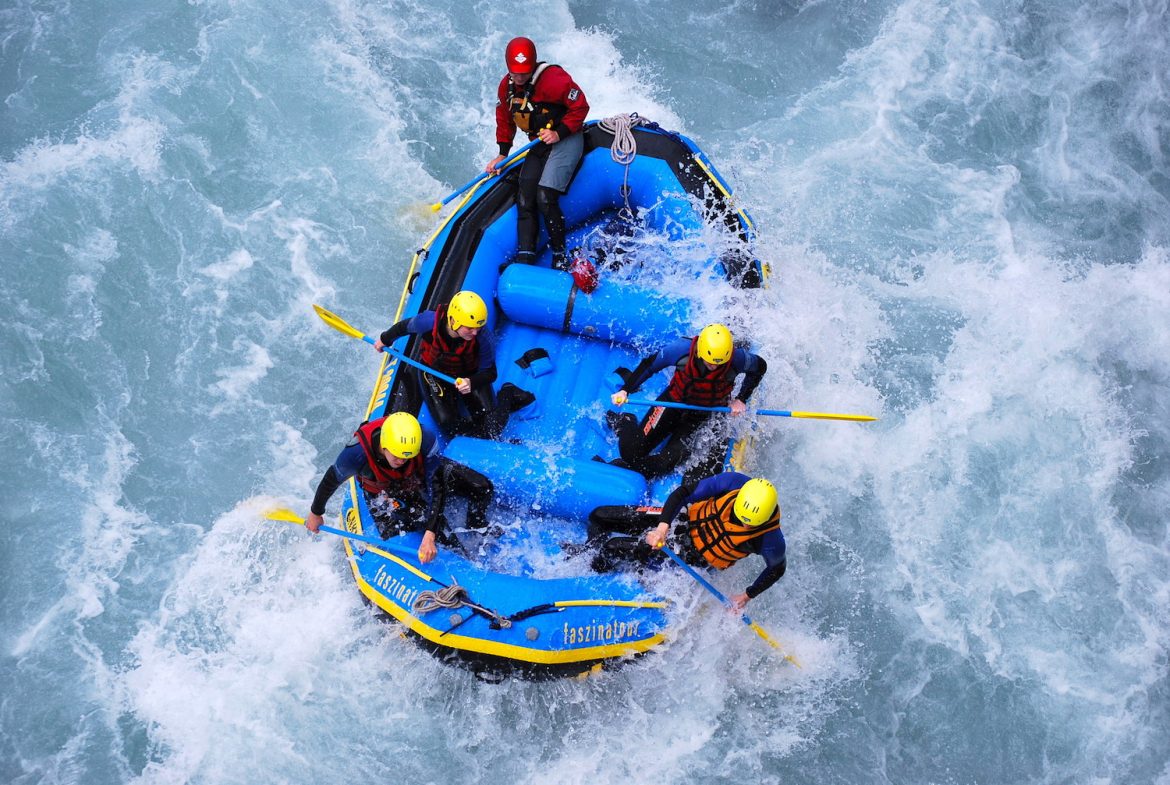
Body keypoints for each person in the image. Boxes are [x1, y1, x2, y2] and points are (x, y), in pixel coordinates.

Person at [305, 411, 493, 564]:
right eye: (396, 456)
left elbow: (438, 486)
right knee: (426, 522)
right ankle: (462, 559)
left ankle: (476, 529)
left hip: (416, 478)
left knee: (483, 487)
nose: (401, 461)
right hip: (385, 491)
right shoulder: (355, 454)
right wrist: (316, 512)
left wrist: (430, 532)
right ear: (384, 445)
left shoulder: (424, 439)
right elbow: (330, 481)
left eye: (407, 456)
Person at [587, 473, 786, 610]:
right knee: (599, 515)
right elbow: (683, 493)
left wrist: (747, 596)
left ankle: (592, 570)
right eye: (741, 519)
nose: (744, 525)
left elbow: (777, 569)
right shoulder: (734, 483)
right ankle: (588, 551)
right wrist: (662, 528)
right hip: (680, 522)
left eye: (750, 524)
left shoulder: (770, 540)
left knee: (612, 547)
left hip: (689, 559)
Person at [607, 323, 767, 480]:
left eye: (718, 363)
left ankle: (632, 468)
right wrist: (625, 389)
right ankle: (626, 420)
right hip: (672, 402)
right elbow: (649, 366)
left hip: (701, 415)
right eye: (710, 362)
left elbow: (760, 367)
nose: (713, 366)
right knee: (629, 452)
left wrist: (741, 399)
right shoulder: (681, 349)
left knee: (666, 463)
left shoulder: (738, 358)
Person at [486, 36, 589, 272]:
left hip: (566, 137)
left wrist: (559, 133)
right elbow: (504, 119)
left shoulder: (554, 80)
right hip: (540, 142)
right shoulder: (506, 87)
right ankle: (526, 256)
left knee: (545, 195)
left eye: (524, 73)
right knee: (525, 196)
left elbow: (581, 106)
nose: (519, 78)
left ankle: (559, 254)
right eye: (515, 73)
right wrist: (502, 153)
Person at [374, 290, 534, 439]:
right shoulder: (428, 321)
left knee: (492, 428)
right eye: (470, 328)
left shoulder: (483, 337)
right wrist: (384, 339)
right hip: (433, 373)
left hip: (469, 375)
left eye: (478, 327)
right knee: (448, 424)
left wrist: (471, 382)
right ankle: (470, 429)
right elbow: (403, 327)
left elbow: (491, 373)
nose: (475, 332)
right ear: (453, 321)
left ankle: (508, 392)